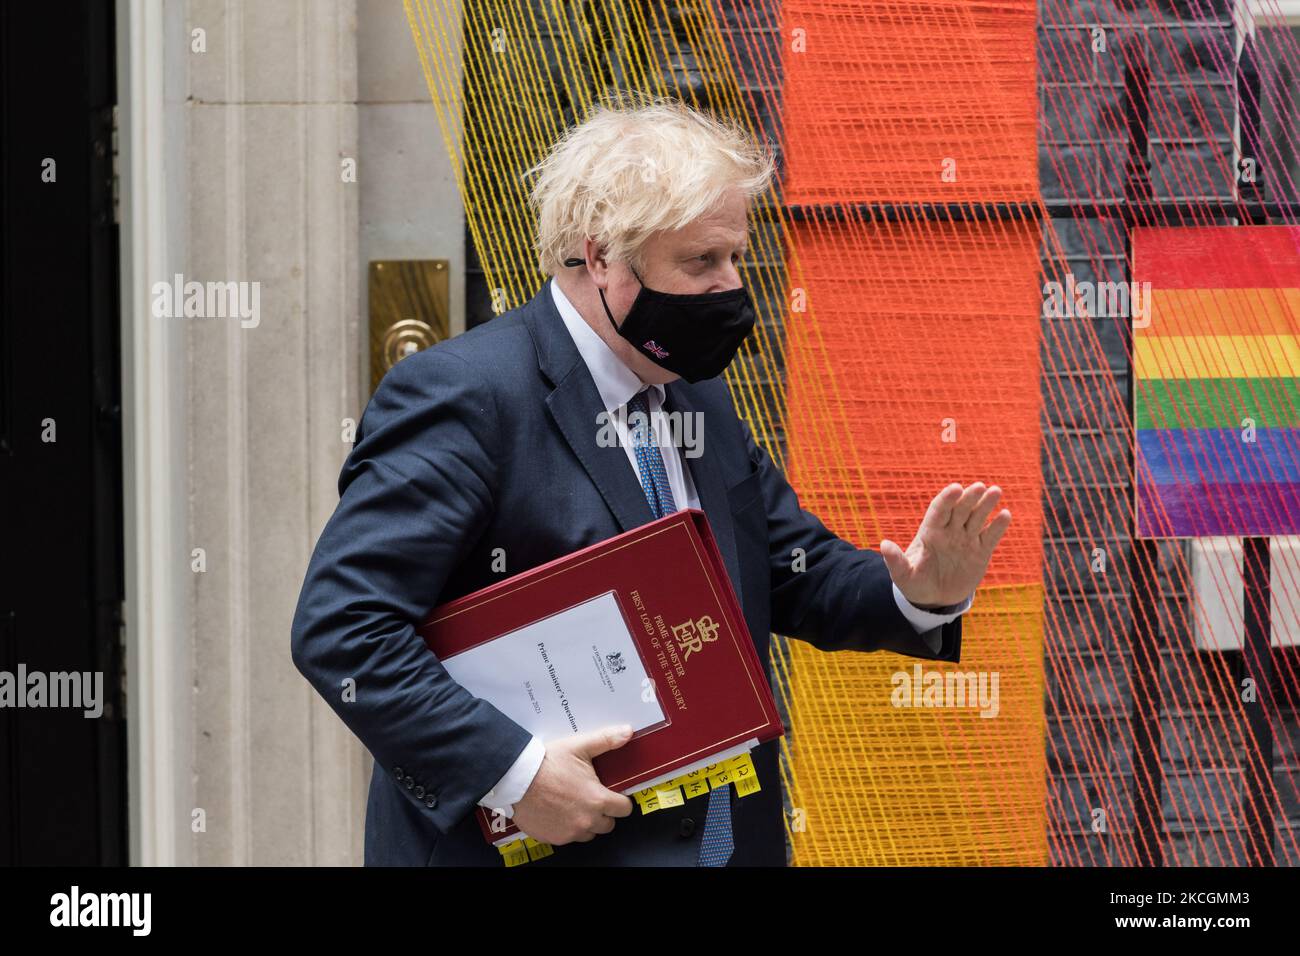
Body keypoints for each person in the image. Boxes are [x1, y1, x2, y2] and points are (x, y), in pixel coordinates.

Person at [290, 93, 1011, 867]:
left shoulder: (690, 389)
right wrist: (515, 772)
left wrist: (922, 591)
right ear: (598, 257)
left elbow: (789, 569)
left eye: (734, 256)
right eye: (701, 262)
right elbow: (345, 630)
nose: (730, 285)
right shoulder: (465, 396)